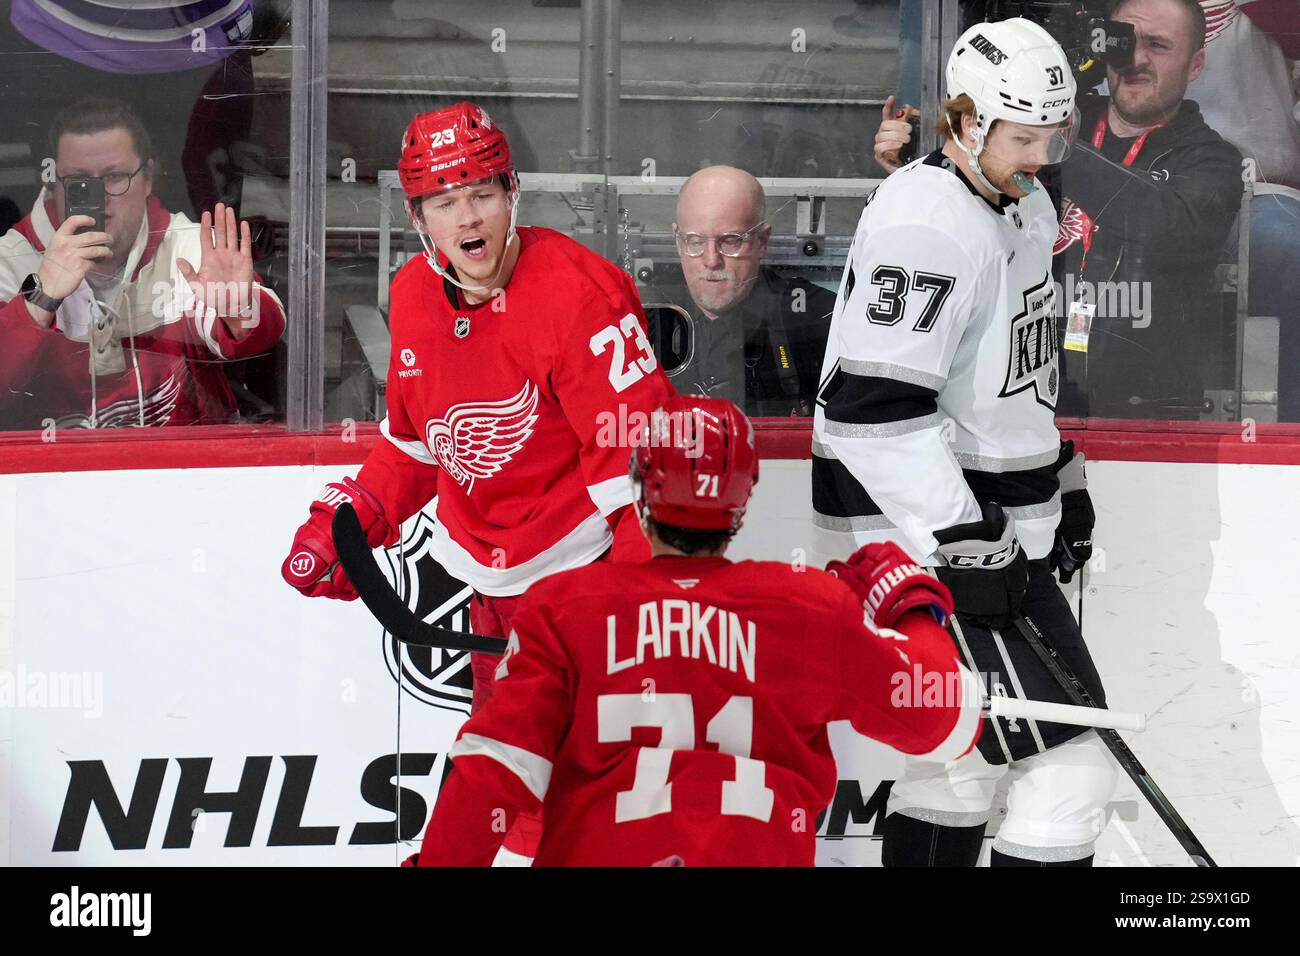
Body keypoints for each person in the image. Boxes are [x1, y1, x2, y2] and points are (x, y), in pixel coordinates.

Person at [280, 101, 674, 860]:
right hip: (493, 592)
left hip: (581, 580)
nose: (470, 216)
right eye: (446, 200)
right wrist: (351, 520)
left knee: (566, 786)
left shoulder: (579, 297)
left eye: (483, 193)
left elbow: (649, 489)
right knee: (518, 783)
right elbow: (415, 448)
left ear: (512, 193)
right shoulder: (413, 298)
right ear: (419, 215)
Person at [409, 397, 982, 866]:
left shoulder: (563, 609)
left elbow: (492, 770)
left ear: (636, 492)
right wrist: (909, 604)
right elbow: (949, 725)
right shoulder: (808, 606)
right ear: (744, 498)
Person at [816, 18, 1117, 866]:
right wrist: (966, 542)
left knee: (953, 773)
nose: (1042, 154)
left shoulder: (1022, 203)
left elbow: (1009, 379)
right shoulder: (927, 224)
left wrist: (1062, 477)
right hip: (934, 542)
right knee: (1069, 776)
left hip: (988, 527)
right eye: (1022, 136)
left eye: (1051, 134)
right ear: (963, 122)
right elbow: (868, 411)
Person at [877, 0, 1244, 419]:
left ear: (1196, 63)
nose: (1136, 59)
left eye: (1158, 45)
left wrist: (1037, 135)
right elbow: (978, 212)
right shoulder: (1049, 127)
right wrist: (932, 160)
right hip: (1021, 394)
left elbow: (1165, 223)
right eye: (1122, 41)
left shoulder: (1213, 159)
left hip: (1146, 415)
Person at [0, 97, 284, 430]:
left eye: (114, 177)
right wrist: (41, 297)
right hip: (49, 473)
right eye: (79, 182)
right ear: (52, 185)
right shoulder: (14, 257)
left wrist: (238, 310)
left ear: (148, 178)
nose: (100, 197)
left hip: (181, 470)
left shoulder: (184, 243)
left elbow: (267, 326)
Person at [643, 165, 835, 416]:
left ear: (762, 241)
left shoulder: (814, 318)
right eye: (696, 241)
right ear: (678, 242)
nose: (711, 260)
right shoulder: (636, 318)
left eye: (731, 241)